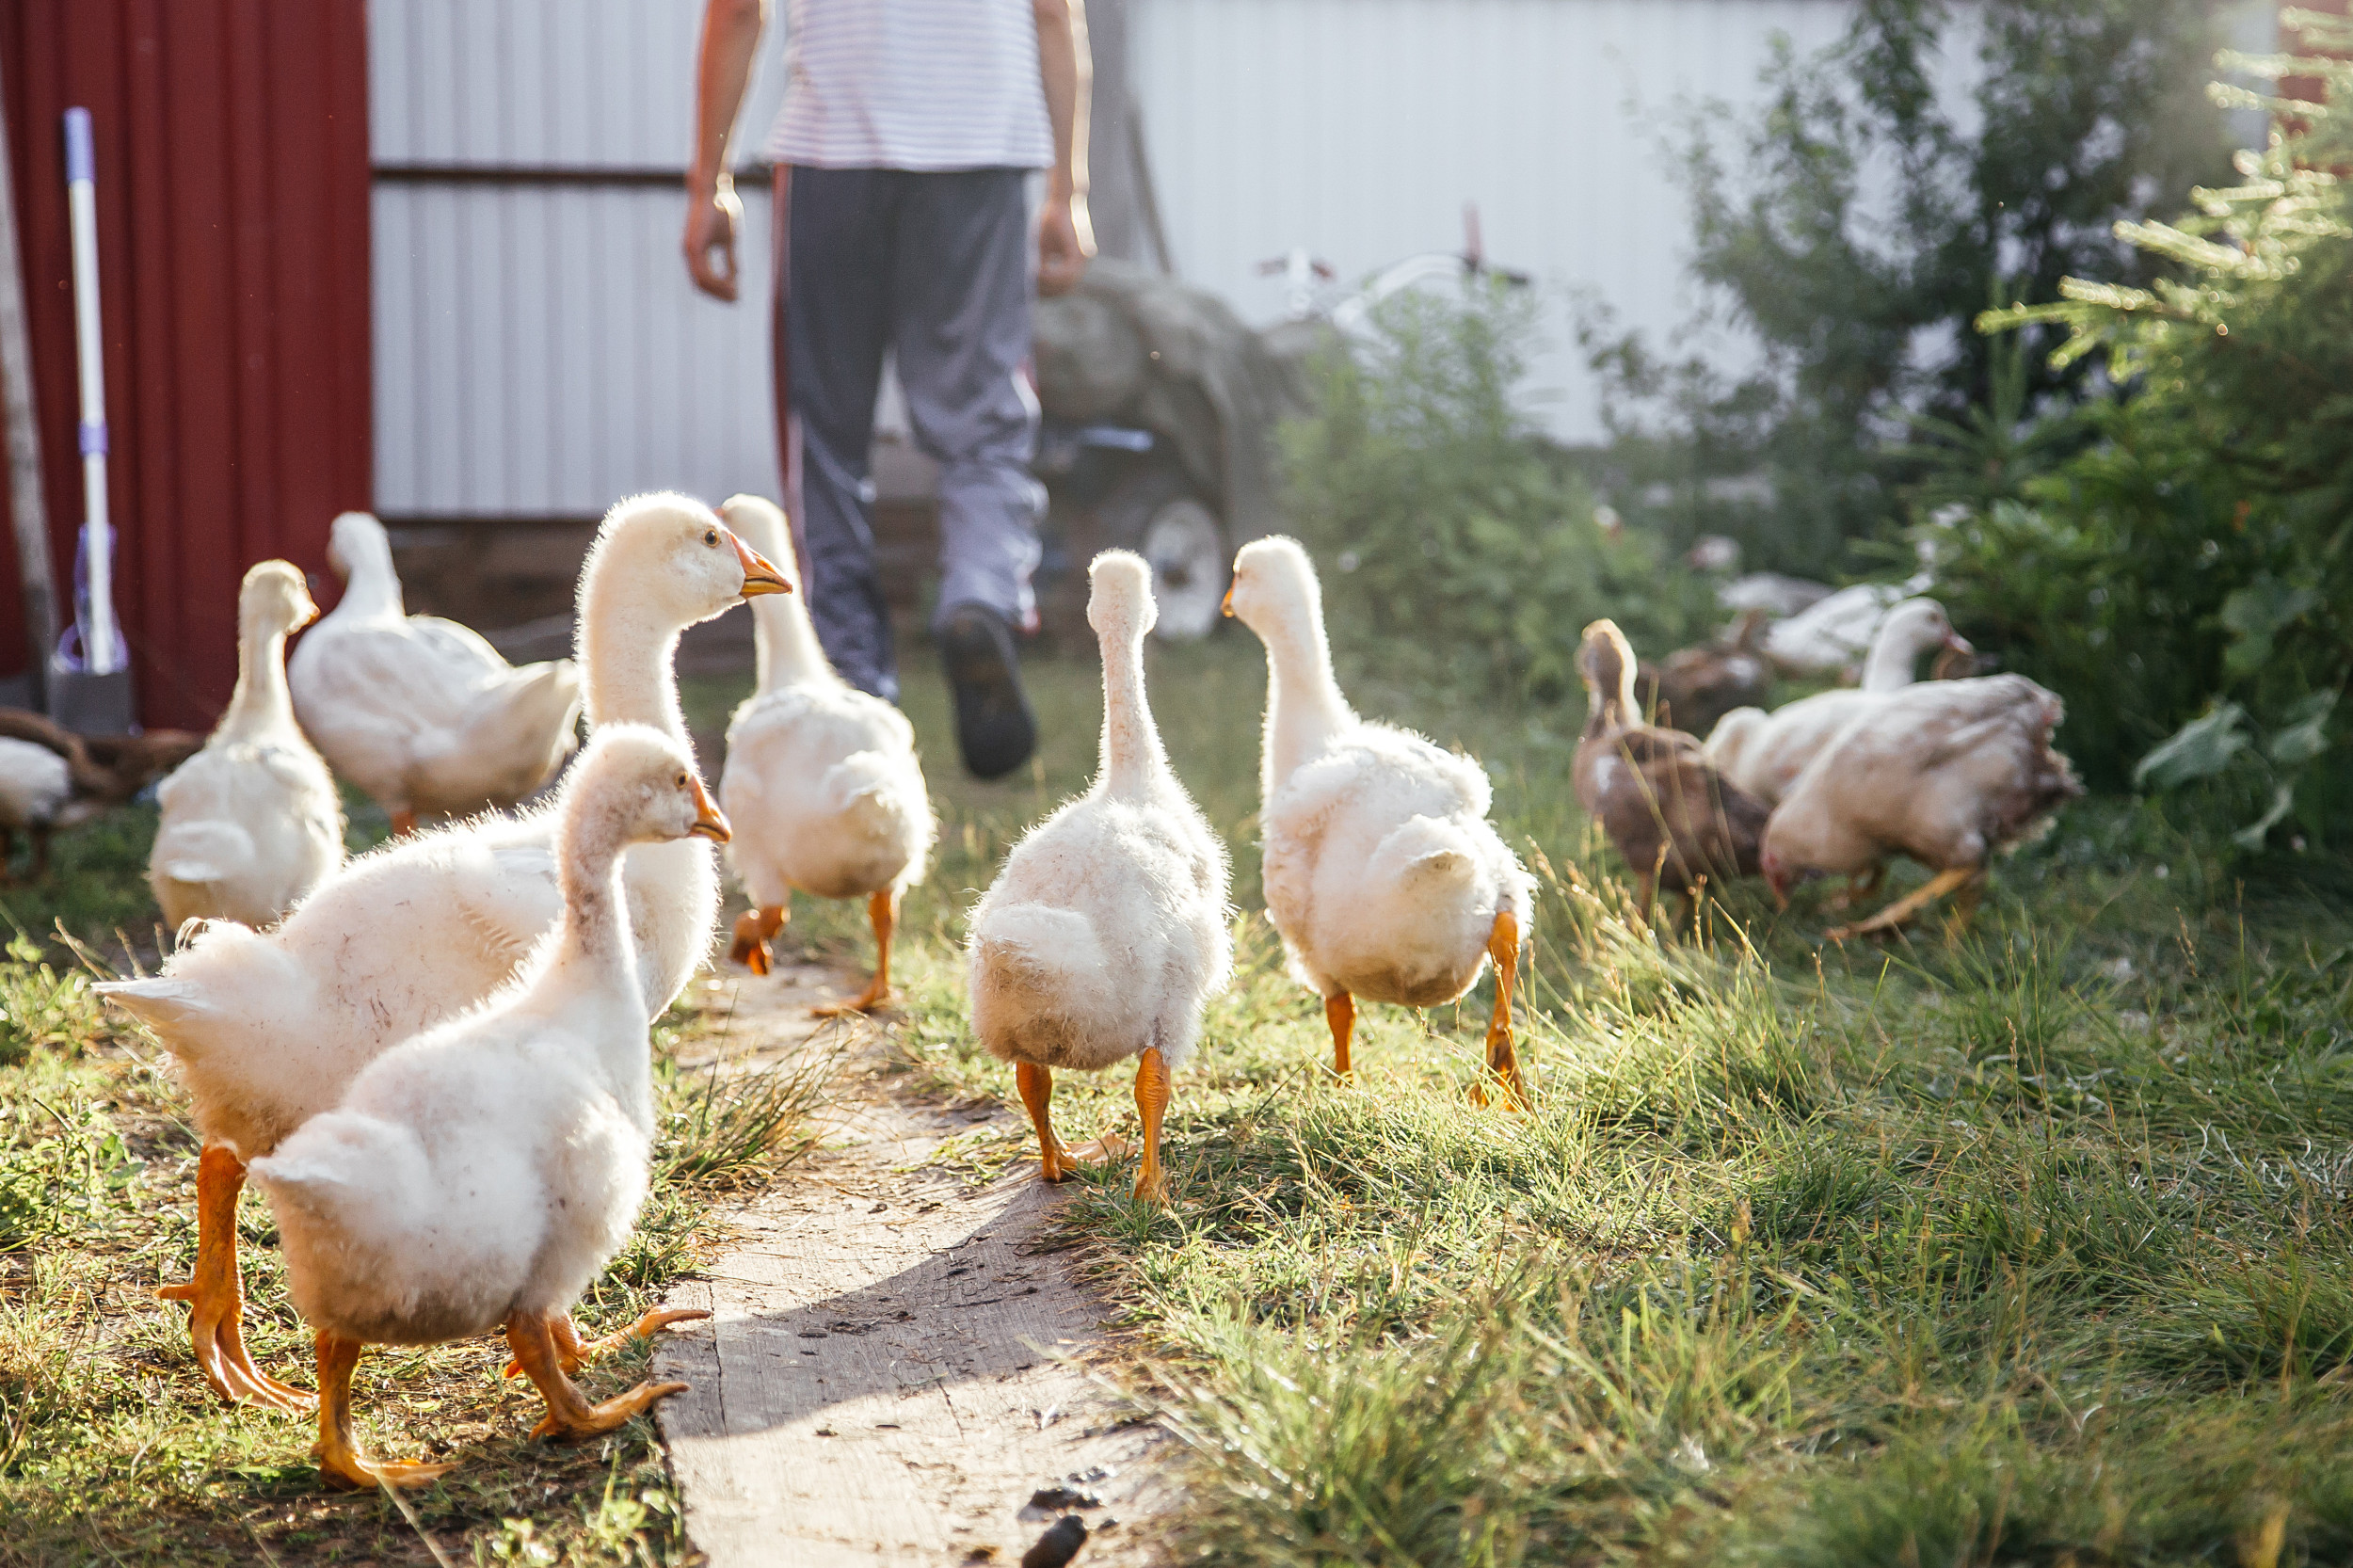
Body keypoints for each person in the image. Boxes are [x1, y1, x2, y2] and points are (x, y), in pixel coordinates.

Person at [685, 0, 1093, 780]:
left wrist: (711, 184)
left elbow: (738, 11)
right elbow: (1050, 13)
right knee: (981, 420)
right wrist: (1066, 192)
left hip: (835, 156)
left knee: (828, 439)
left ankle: (854, 686)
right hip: (980, 147)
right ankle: (978, 595)